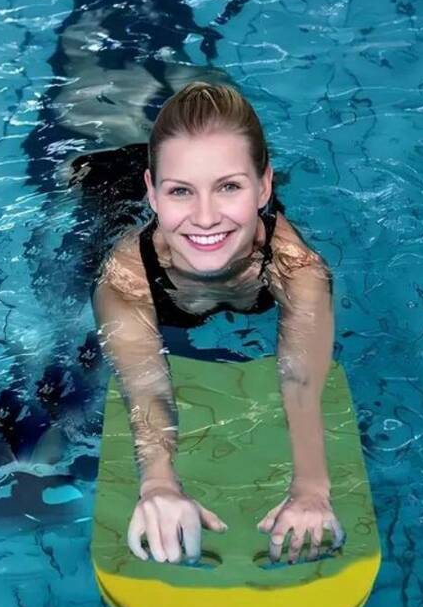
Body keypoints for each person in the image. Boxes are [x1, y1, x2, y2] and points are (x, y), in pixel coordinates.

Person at [91, 82, 345, 566]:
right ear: (152, 193)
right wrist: (159, 484)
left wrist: (312, 489)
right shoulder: (125, 278)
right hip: (104, 197)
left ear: (265, 186)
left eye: (229, 186)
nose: (206, 218)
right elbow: (145, 389)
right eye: (180, 191)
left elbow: (302, 381)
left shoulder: (298, 270)